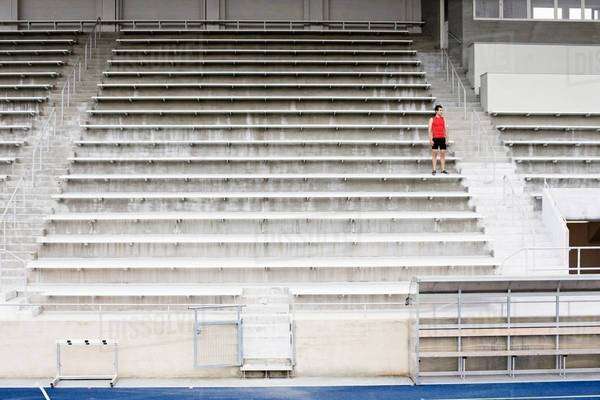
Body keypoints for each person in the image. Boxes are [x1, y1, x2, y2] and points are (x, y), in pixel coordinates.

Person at [428, 104, 448, 175]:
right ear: (436, 111)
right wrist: (430, 139)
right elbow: (429, 130)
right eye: (440, 110)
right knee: (434, 154)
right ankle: (434, 170)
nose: (441, 111)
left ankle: (443, 169)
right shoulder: (432, 119)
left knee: (442, 154)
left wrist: (447, 139)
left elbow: (445, 129)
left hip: (442, 138)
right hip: (435, 138)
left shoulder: (443, 119)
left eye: (442, 110)